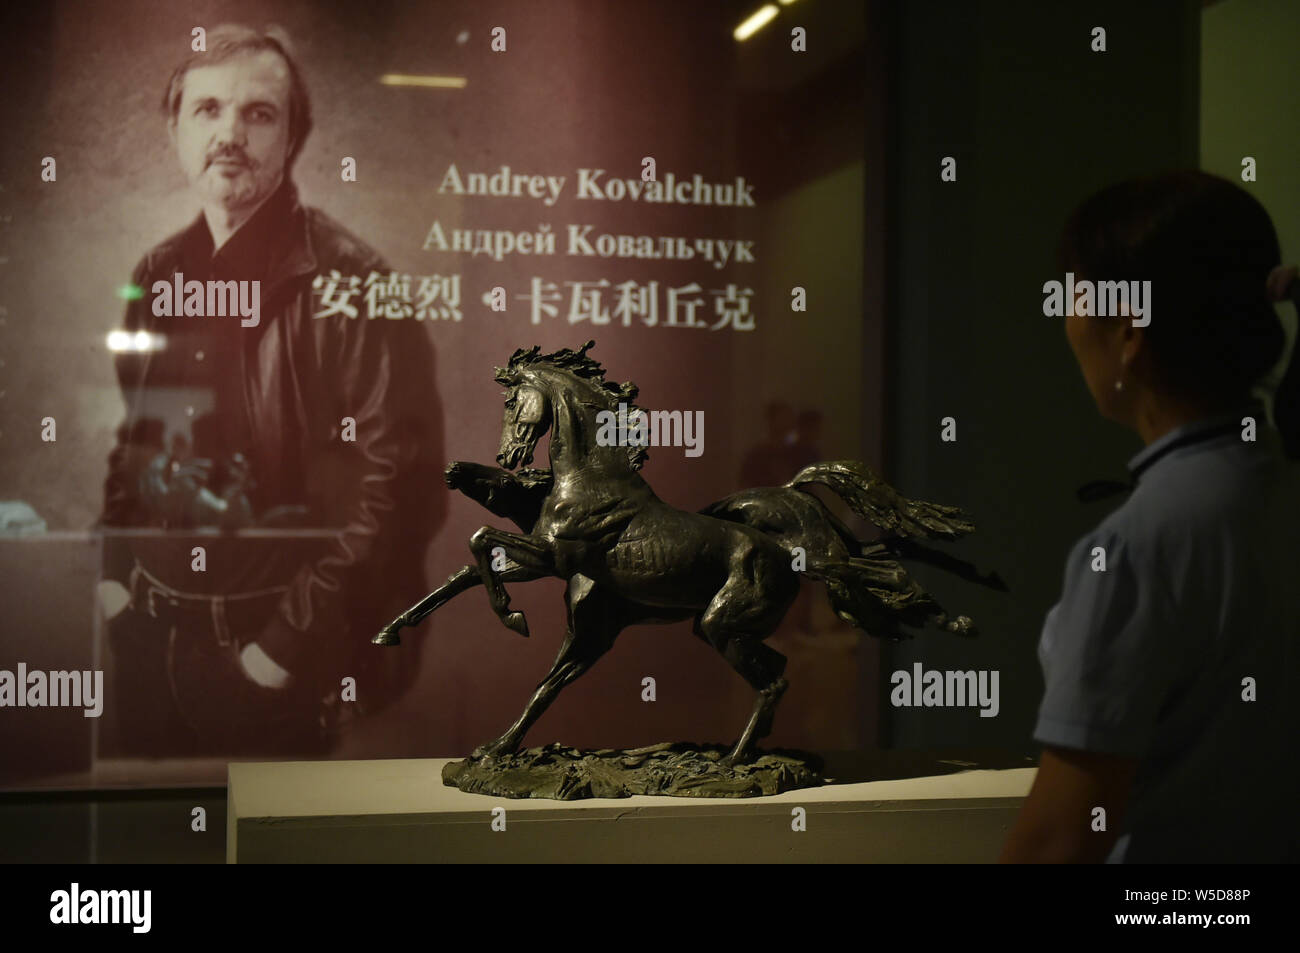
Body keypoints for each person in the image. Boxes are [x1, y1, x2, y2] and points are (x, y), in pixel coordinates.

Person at [98, 24, 443, 756]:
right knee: (148, 852)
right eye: (208, 109)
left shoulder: (354, 281)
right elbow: (134, 439)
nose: (230, 132)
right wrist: (113, 588)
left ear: (292, 138)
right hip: (144, 644)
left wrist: (281, 647)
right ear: (175, 130)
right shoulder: (157, 271)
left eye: (258, 114)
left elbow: (398, 490)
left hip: (268, 662)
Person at [1001, 171, 1300, 862]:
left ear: (1129, 327)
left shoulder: (1138, 545)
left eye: (1073, 294)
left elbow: (1059, 839)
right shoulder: (1276, 486)